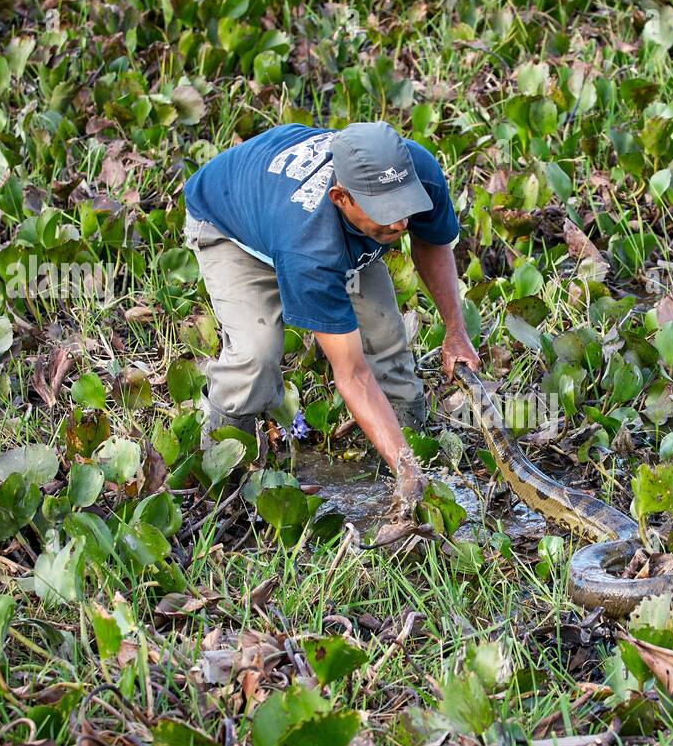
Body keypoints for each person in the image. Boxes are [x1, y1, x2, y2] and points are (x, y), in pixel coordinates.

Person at [182, 120, 481, 516]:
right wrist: (407, 472)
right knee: (254, 360)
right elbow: (352, 374)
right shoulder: (310, 247)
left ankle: (406, 449)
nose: (399, 223)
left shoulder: (417, 172)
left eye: (403, 205)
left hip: (302, 212)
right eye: (385, 210)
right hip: (230, 228)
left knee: (386, 336)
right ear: (341, 197)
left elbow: (430, 240)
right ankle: (225, 482)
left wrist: (455, 329)